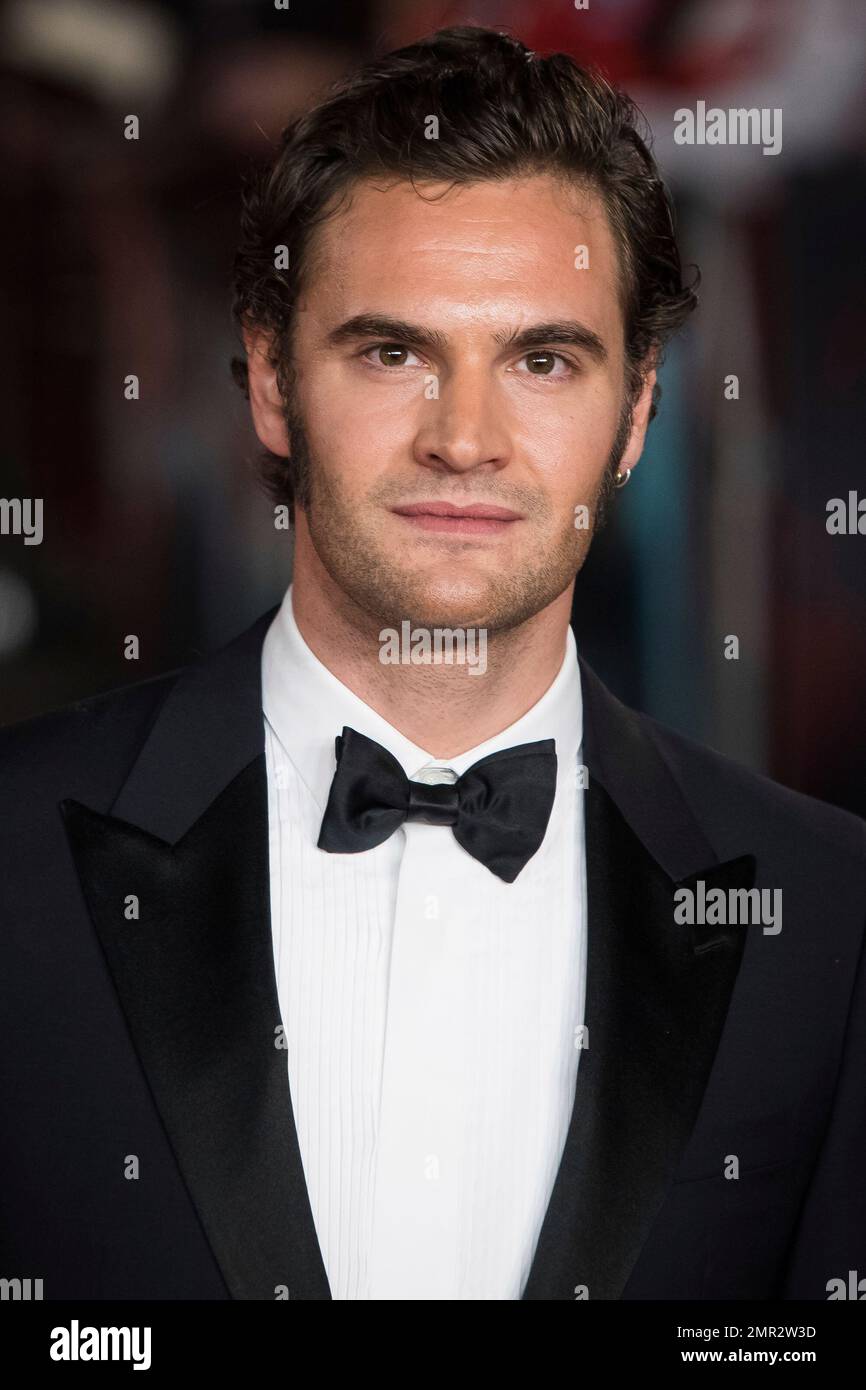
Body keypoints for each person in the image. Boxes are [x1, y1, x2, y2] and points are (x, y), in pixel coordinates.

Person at [1, 25, 864, 1303]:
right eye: (391, 351)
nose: (466, 439)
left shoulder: (830, 915)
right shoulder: (15, 851)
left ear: (633, 415)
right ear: (273, 388)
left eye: (541, 360)